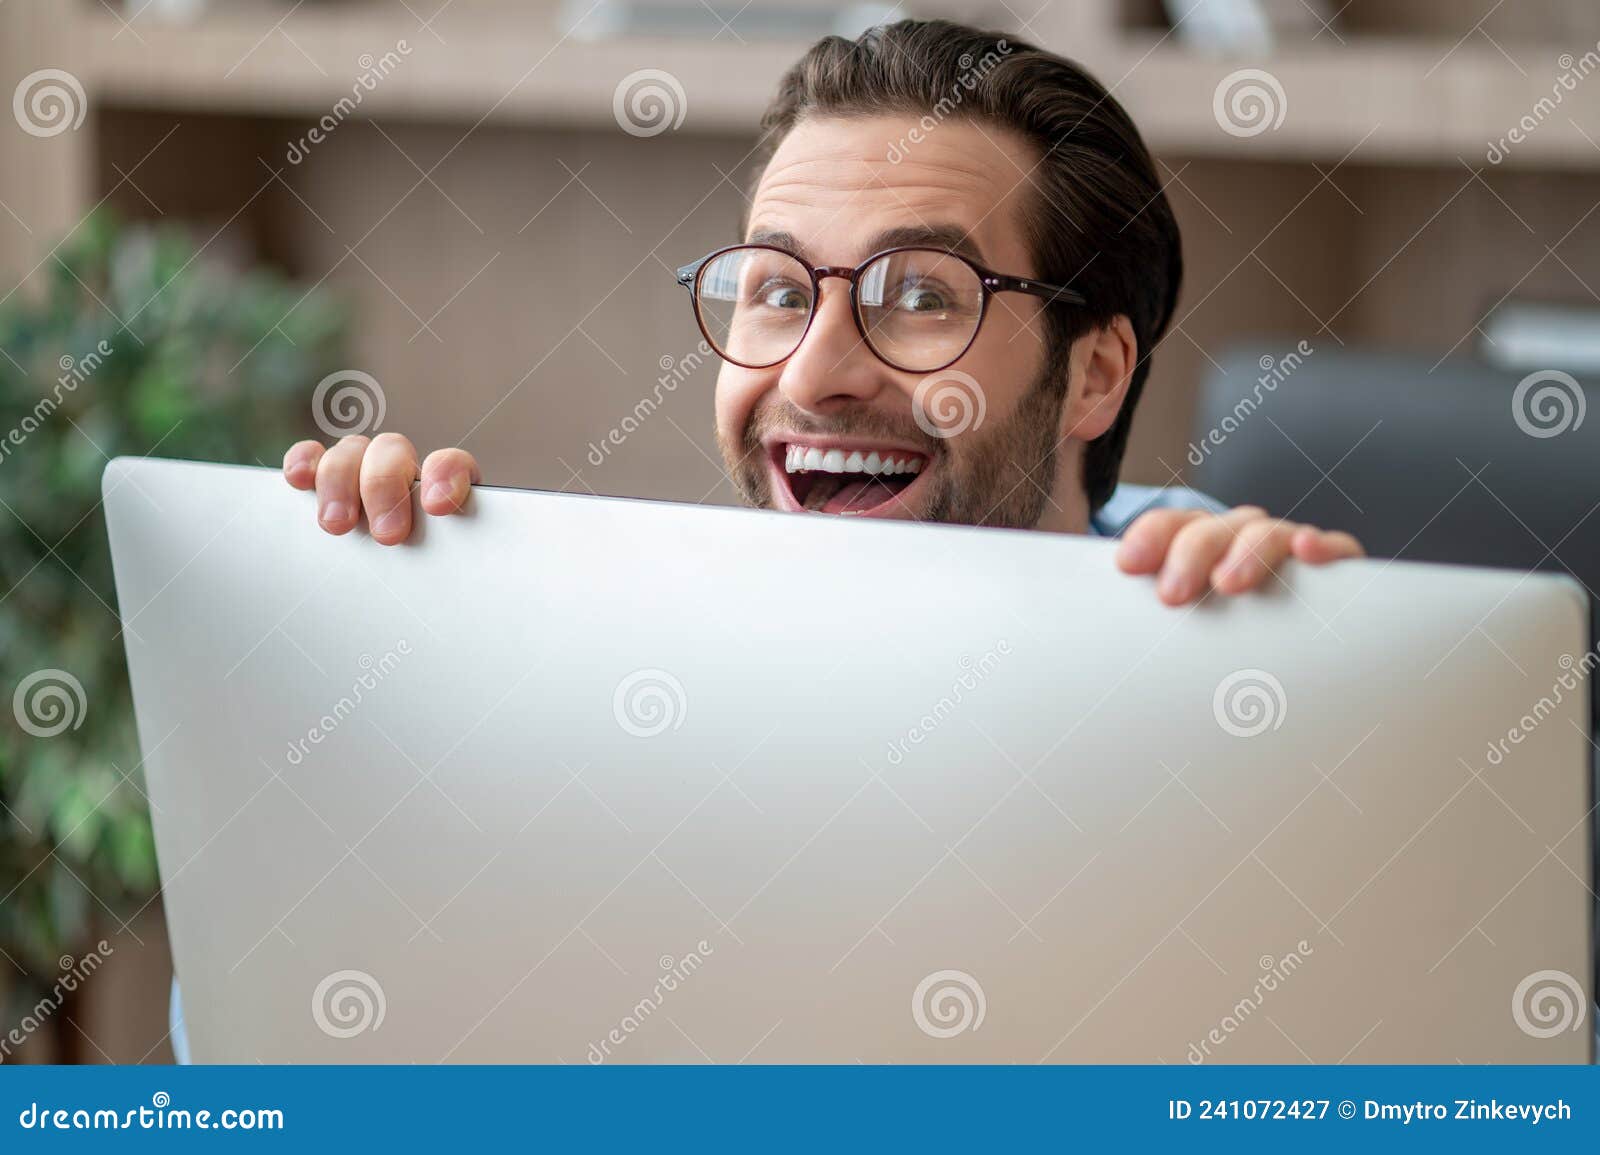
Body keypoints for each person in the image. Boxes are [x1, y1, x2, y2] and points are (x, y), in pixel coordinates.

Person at [278, 18, 1363, 602]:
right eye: (780, 293)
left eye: (922, 296)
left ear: (1093, 373)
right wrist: (381, 651)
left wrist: (1310, 693)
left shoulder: (1223, 626)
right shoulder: (616, 656)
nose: (811, 376)